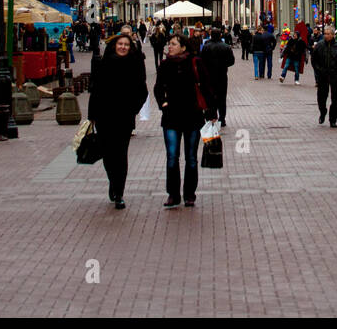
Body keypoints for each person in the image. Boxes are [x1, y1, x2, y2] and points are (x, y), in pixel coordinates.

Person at [87, 33, 148, 210]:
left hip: (124, 117)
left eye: (126, 45)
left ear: (130, 47)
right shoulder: (103, 63)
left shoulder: (135, 64)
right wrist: (92, 116)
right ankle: (113, 182)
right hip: (104, 116)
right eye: (120, 44)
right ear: (114, 45)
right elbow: (95, 91)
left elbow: (142, 91)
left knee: (121, 154)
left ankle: (119, 192)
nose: (123, 47)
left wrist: (133, 109)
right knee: (107, 153)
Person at [153, 34, 213, 208]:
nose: (169, 46)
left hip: (192, 116)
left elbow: (207, 86)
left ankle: (189, 194)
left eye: (173, 44)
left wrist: (211, 111)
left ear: (183, 47)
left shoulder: (195, 62)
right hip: (171, 116)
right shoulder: (165, 65)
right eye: (169, 43)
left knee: (191, 158)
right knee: (172, 157)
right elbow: (158, 88)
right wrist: (162, 103)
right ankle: (173, 194)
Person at [310, 25, 337, 127]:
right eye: (325, 34)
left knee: (336, 99)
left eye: (328, 34)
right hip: (323, 75)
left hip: (335, 75)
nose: (326, 36)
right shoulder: (320, 45)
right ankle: (323, 112)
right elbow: (314, 60)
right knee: (321, 97)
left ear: (333, 35)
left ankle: (333, 119)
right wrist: (318, 71)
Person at [198, 26, 235, 126]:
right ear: (220, 35)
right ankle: (222, 119)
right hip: (222, 75)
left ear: (211, 35)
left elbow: (201, 61)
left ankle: (213, 116)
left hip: (209, 76)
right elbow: (232, 61)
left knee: (210, 96)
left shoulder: (206, 47)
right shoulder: (226, 47)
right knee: (222, 97)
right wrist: (224, 65)